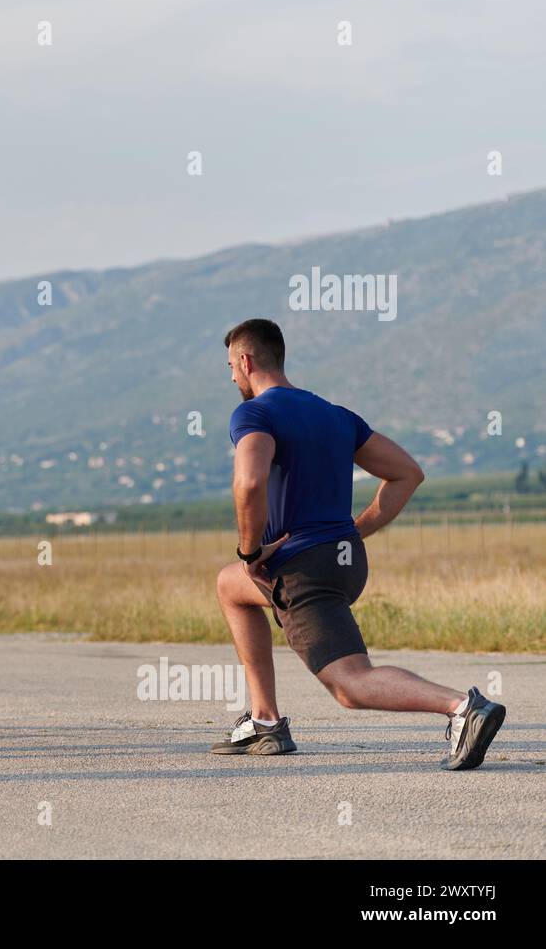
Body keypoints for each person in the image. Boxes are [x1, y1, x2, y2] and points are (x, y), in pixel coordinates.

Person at [212, 319, 505, 769]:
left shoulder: (255, 414)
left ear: (246, 362)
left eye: (231, 367)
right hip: (347, 562)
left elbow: (249, 481)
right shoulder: (335, 415)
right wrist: (358, 529)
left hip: (303, 570)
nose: (232, 377)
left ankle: (465, 708)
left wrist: (250, 553)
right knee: (231, 586)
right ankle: (264, 721)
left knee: (350, 685)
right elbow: (408, 473)